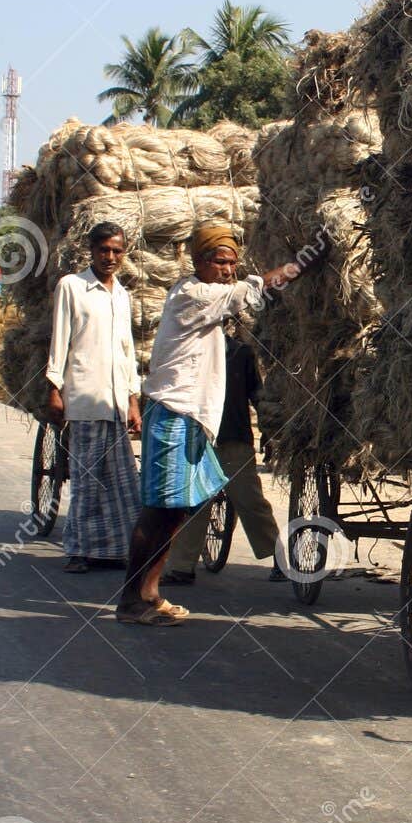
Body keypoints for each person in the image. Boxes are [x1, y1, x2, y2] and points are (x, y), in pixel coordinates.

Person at [116, 223, 314, 626]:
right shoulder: (193, 295)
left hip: (191, 419)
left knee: (176, 512)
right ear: (200, 261)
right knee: (157, 511)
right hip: (173, 415)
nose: (228, 269)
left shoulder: (207, 299)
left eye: (232, 263)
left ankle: (150, 593)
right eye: (220, 261)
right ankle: (130, 600)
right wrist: (302, 262)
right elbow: (255, 290)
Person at [46, 223, 142, 574]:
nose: (110, 257)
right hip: (85, 396)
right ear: (92, 250)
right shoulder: (72, 286)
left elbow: (127, 351)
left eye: (117, 251)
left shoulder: (122, 295)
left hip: (115, 402)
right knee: (87, 480)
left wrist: (133, 400)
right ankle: (78, 549)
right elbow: (60, 341)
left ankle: (114, 549)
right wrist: (54, 389)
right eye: (104, 250)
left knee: (121, 481)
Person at [163, 330, 286, 584]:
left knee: (250, 500)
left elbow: (258, 396)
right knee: (194, 503)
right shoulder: (188, 352)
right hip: (196, 440)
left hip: (234, 437)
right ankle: (181, 567)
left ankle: (281, 560)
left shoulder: (241, 354)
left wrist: (268, 430)